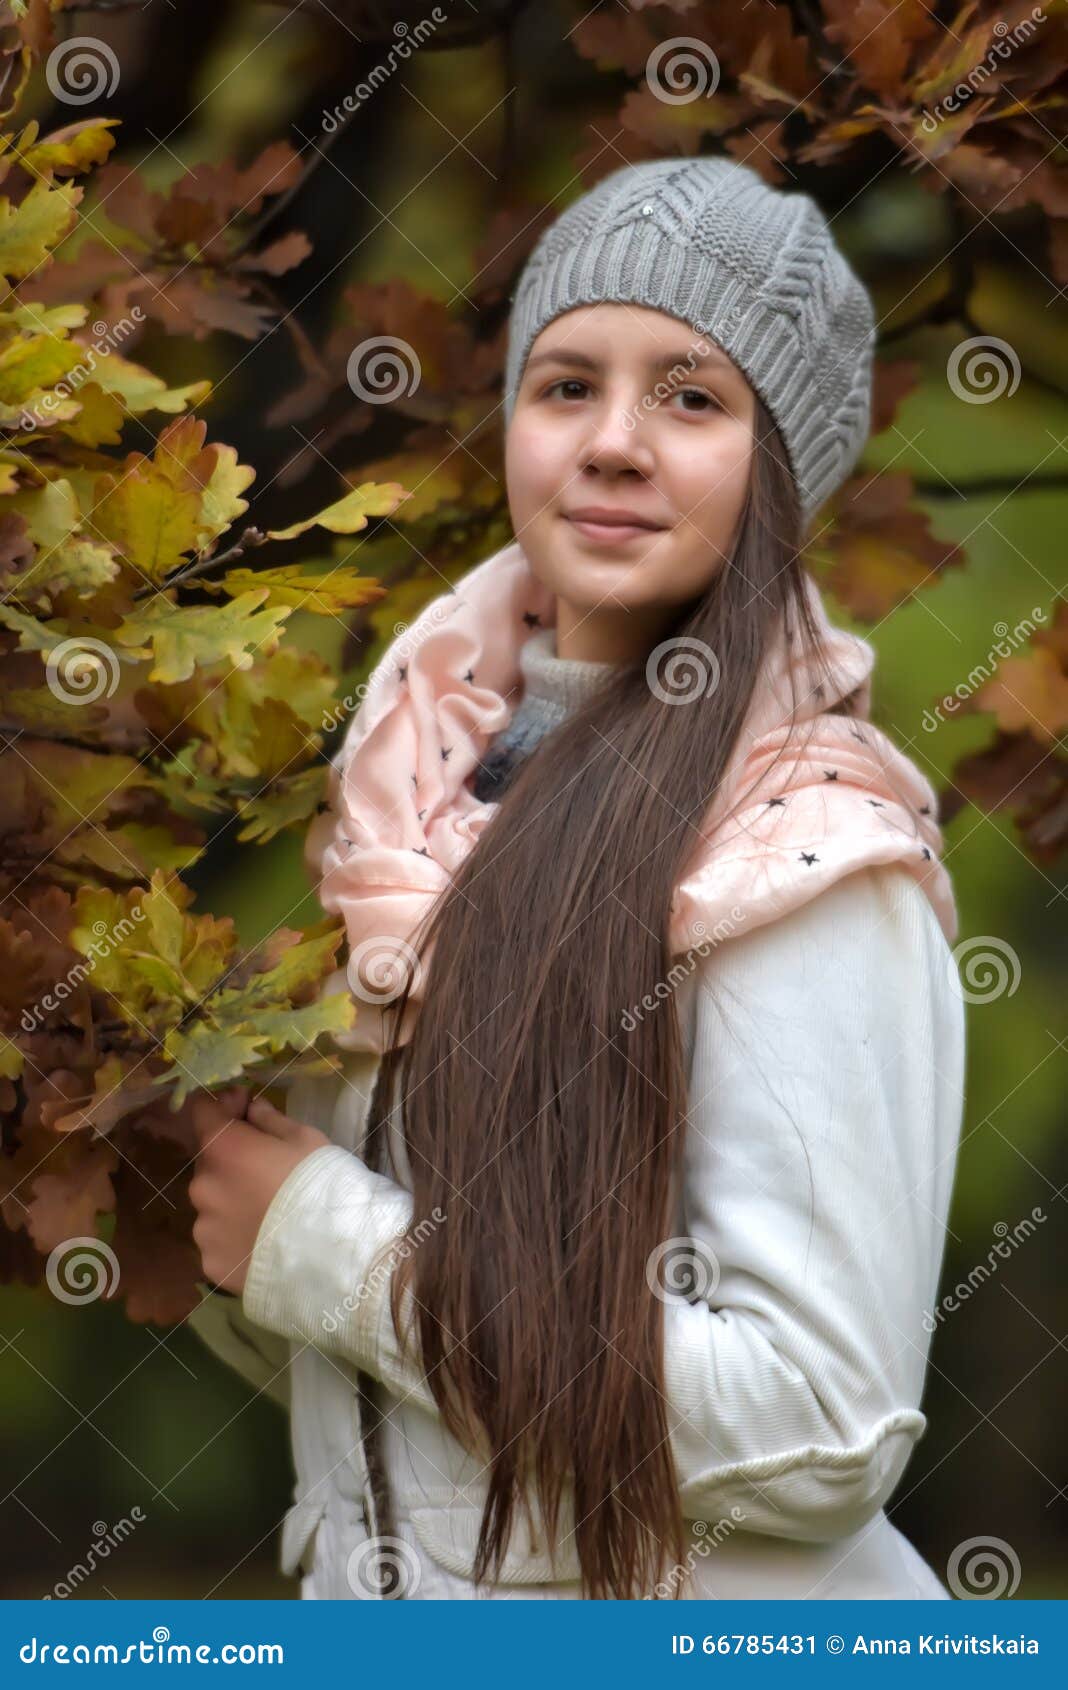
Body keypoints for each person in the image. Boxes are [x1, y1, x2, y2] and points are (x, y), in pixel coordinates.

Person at [186, 156, 966, 1601]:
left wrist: (327, 1249)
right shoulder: (413, 806)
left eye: (690, 396)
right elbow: (405, 1411)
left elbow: (815, 1426)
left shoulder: (802, 852)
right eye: (565, 384)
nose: (613, 441)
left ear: (777, 466)